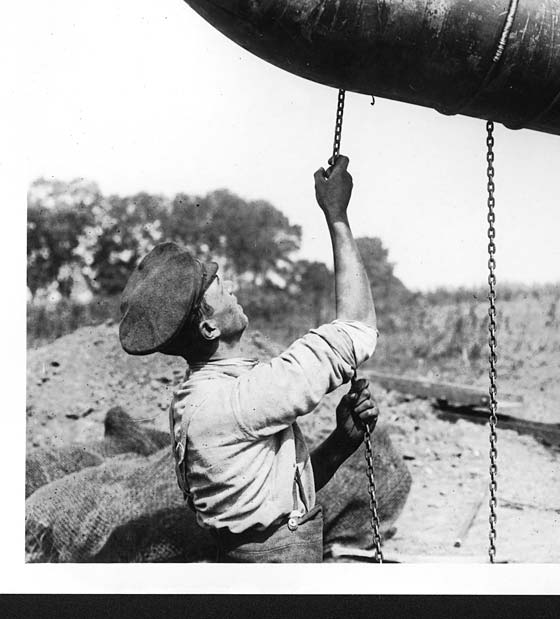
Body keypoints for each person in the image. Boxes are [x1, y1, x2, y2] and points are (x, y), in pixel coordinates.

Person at [117, 155, 380, 562]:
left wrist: (342, 440)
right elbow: (358, 329)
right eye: (219, 288)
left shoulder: (200, 398)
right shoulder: (237, 402)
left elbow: (276, 500)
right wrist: (337, 215)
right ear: (208, 329)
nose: (232, 287)